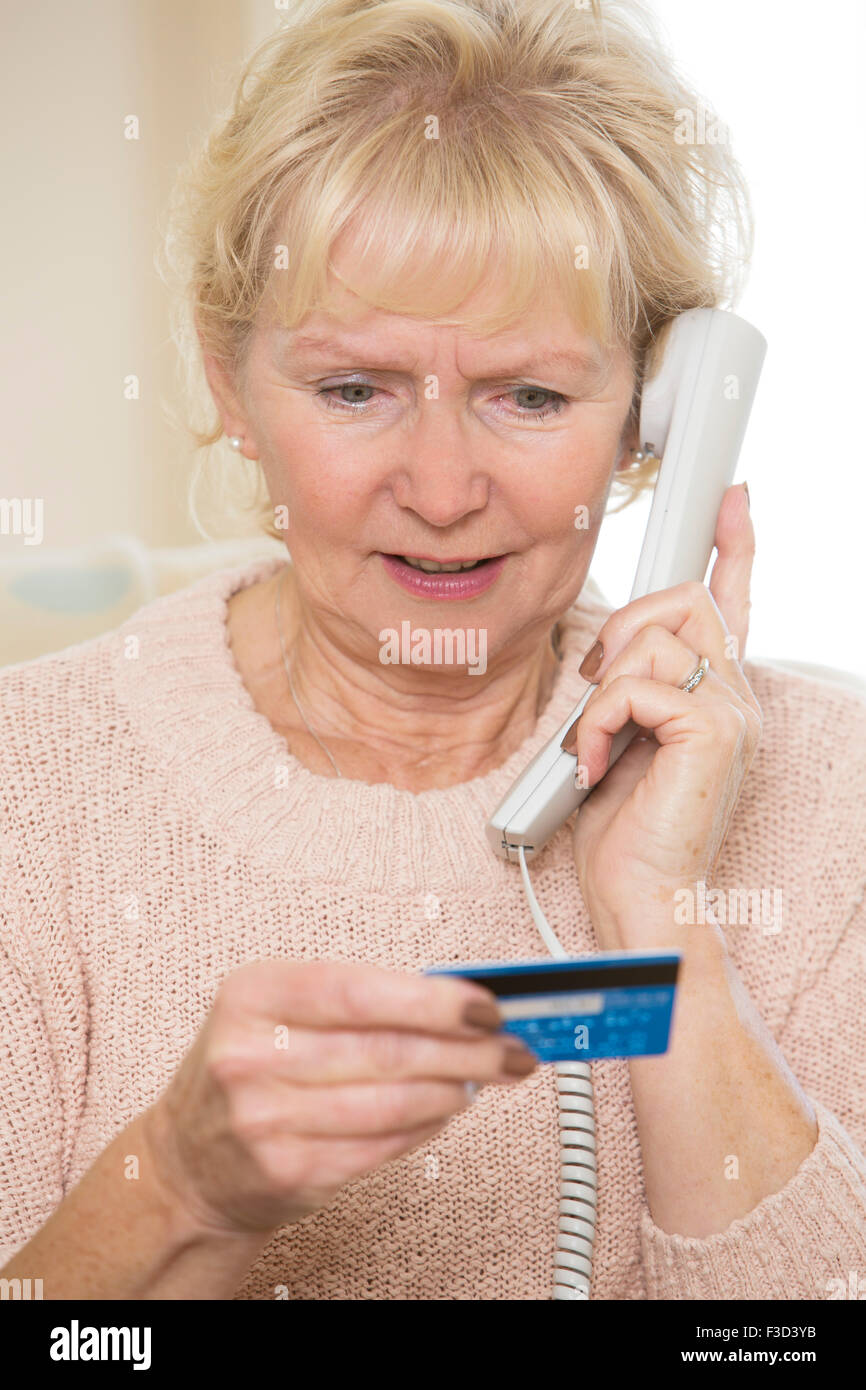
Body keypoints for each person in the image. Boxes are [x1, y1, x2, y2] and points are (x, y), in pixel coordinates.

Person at [2, 0, 865, 1300]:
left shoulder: (823, 796)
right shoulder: (33, 788)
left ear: (657, 414)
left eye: (528, 395)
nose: (445, 486)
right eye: (355, 389)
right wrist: (175, 1188)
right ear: (227, 383)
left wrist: (659, 910)